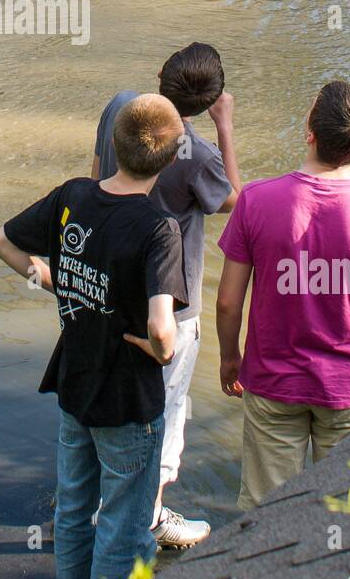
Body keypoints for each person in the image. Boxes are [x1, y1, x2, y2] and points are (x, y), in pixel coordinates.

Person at [0, 94, 186, 579]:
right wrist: (161, 352)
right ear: (171, 161)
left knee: (74, 511)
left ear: (112, 144)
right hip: (127, 401)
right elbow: (163, 329)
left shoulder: (74, 195)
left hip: (75, 385)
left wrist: (50, 279)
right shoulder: (158, 228)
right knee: (123, 526)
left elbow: (0, 241)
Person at [216, 80, 350, 509]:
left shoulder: (256, 200)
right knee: (346, 509)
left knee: (267, 512)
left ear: (310, 131)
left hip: (272, 383)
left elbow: (229, 301)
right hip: (349, 387)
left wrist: (230, 358)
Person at [92, 43, 241, 548]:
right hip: (170, 304)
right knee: (164, 411)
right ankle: (150, 519)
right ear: (213, 99)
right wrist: (225, 127)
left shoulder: (120, 108)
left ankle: (99, 502)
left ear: (160, 73)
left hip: (107, 285)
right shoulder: (196, 154)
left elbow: (95, 180)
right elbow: (238, 207)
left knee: (109, 395)